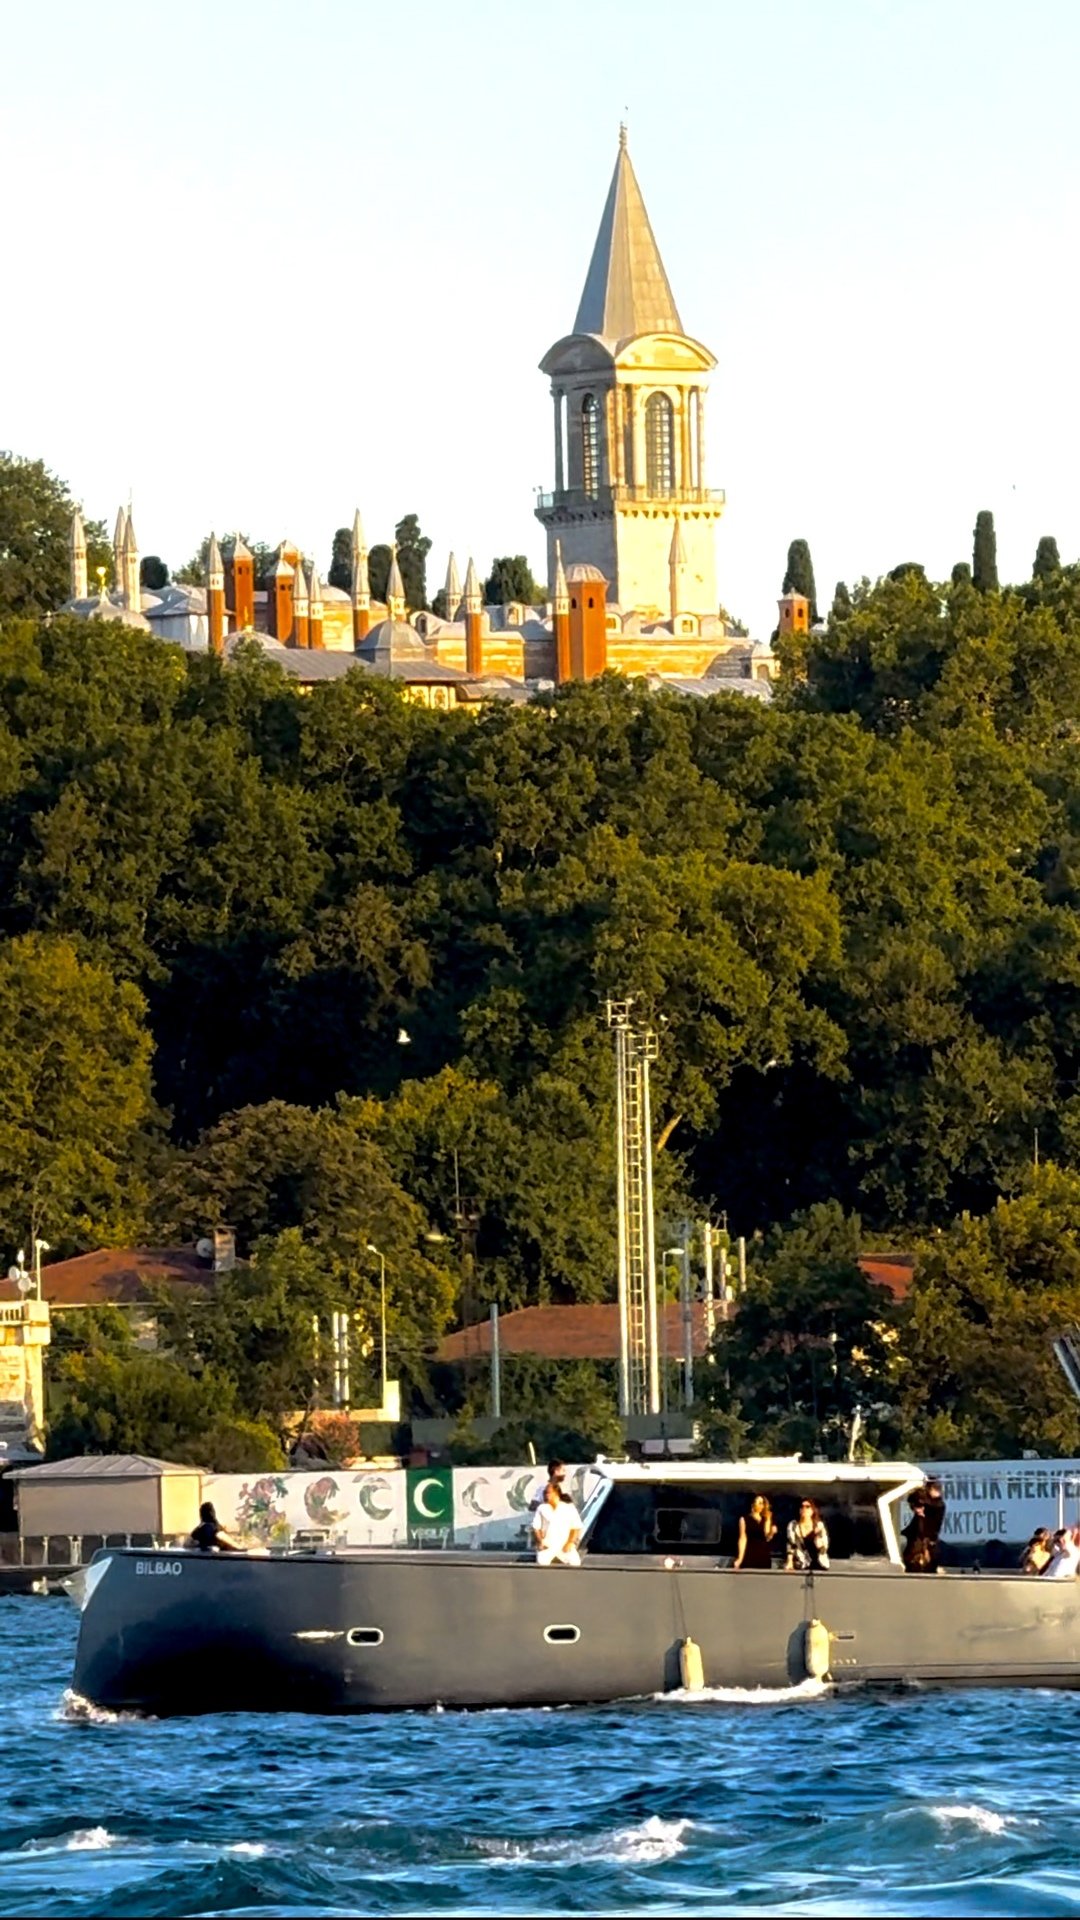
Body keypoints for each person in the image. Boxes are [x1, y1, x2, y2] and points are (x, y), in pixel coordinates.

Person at [532, 1479, 582, 1566]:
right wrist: (540, 1542)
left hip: (564, 1544)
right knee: (541, 1562)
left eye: (548, 1493)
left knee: (575, 1563)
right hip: (548, 1544)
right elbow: (536, 1528)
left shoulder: (569, 1507)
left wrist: (570, 1543)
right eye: (545, 1493)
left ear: (556, 1493)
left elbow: (576, 1527)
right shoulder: (542, 1508)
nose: (546, 1495)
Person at [785, 1498, 830, 1571]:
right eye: (802, 1506)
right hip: (802, 1563)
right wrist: (789, 1562)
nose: (804, 1509)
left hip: (819, 1563)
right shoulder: (793, 1525)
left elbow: (824, 1547)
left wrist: (817, 1539)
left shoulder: (819, 1525)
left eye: (807, 1507)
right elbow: (791, 1544)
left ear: (812, 1510)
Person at [734, 1493, 776, 1570]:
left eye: (762, 1503)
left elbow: (767, 1537)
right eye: (759, 1503)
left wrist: (771, 1532)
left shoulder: (766, 1519)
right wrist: (740, 1558)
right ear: (753, 1504)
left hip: (763, 1556)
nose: (761, 1505)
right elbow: (742, 1538)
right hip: (749, 1554)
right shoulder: (744, 1519)